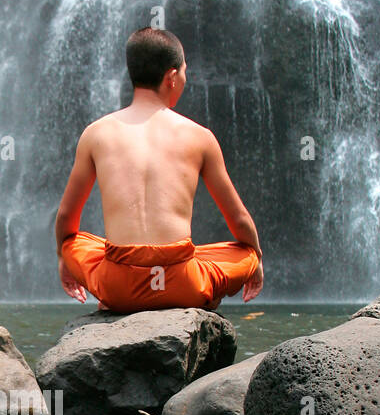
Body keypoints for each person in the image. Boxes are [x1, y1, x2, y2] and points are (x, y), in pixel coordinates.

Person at [55, 27, 263, 311]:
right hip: (183, 283)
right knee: (245, 251)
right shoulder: (200, 136)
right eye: (185, 72)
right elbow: (239, 221)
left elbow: (66, 218)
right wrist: (256, 261)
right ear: (172, 77)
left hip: (117, 286)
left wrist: (64, 259)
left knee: (74, 242)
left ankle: (120, 293)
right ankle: (201, 294)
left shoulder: (95, 133)